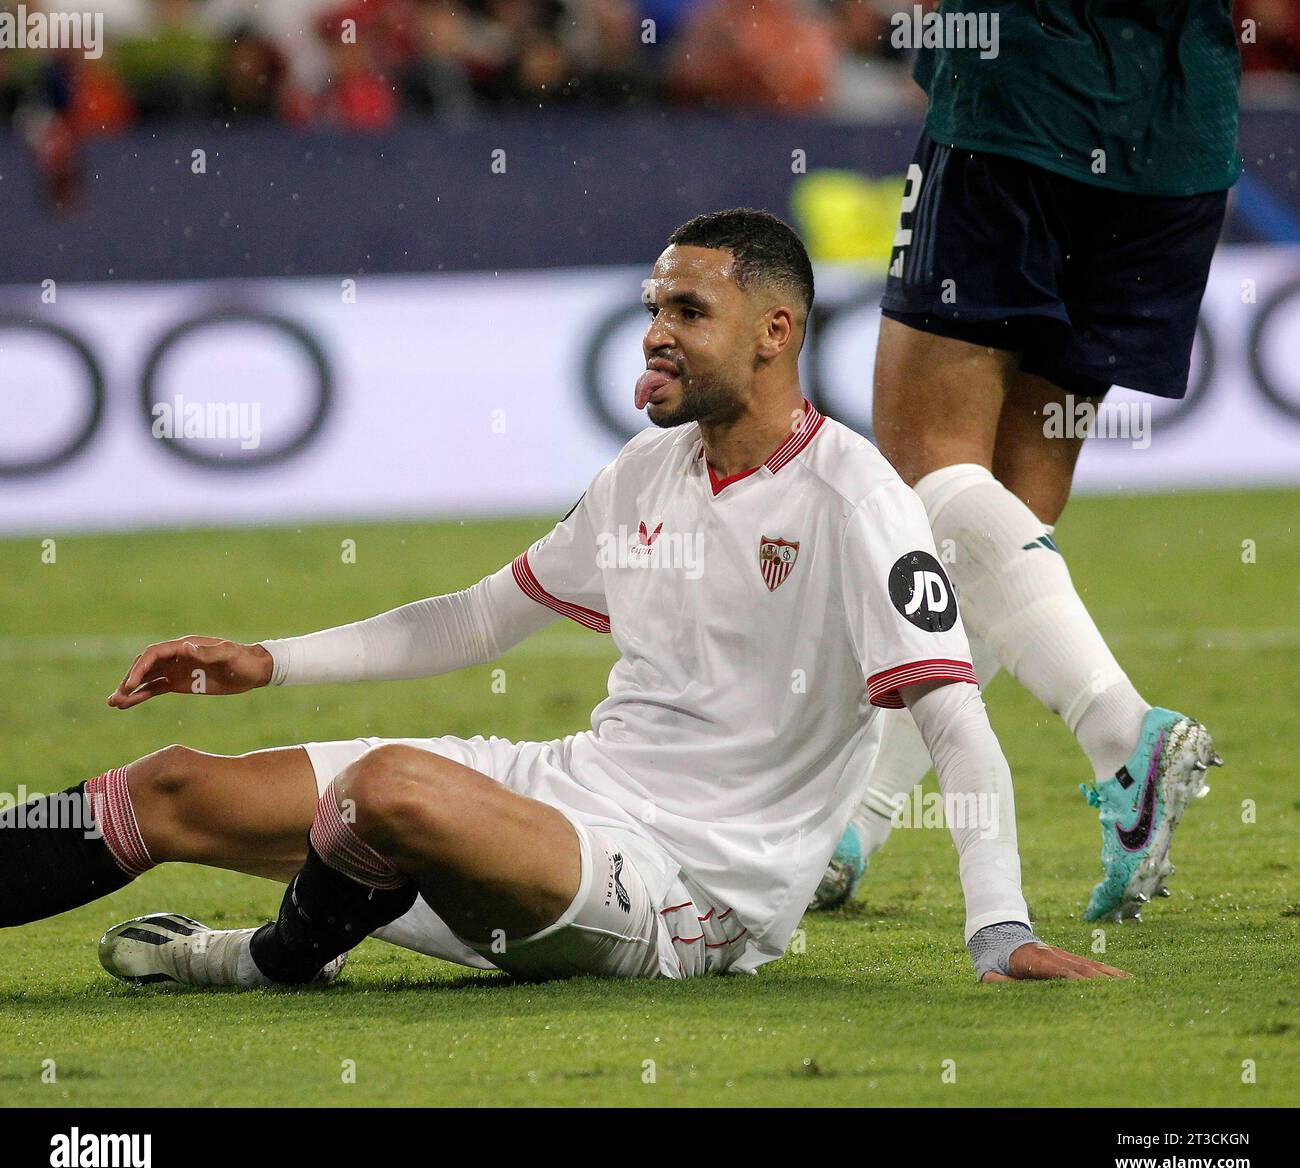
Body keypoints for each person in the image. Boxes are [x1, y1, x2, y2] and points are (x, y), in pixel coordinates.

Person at [3, 210, 1122, 987]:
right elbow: (480, 619)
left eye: (688, 310)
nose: (654, 333)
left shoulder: (855, 497)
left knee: (387, 789)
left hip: (687, 891)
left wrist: (999, 932)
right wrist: (269, 661)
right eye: (652, 306)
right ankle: (307, 927)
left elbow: (957, 726)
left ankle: (257, 960)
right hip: (563, 800)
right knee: (171, 786)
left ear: (776, 333)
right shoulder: (645, 471)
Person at [813, 1, 1231, 919]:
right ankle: (854, 825)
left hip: (1019, 105)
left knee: (930, 471)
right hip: (1177, 138)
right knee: (1009, 510)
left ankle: (1125, 737)